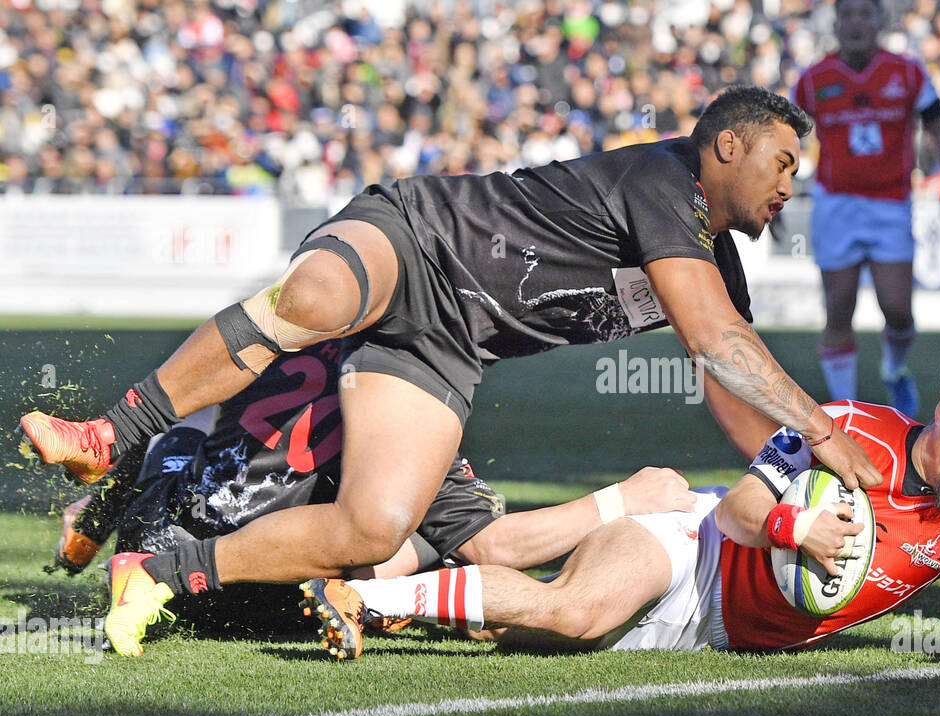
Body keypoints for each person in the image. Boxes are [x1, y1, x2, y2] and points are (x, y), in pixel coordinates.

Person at [19, 86, 885, 656]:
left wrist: (782, 469)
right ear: (726, 145)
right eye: (782, 163)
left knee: (373, 525)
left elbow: (730, 381)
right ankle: (110, 435)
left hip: (444, 344)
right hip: (418, 232)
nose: (790, 186)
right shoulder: (666, 178)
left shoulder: (716, 270)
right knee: (317, 294)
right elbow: (716, 343)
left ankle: (165, 572)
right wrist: (822, 431)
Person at [301, 362, 940, 661]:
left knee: (523, 629)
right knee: (577, 609)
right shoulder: (848, 426)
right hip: (693, 545)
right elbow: (738, 510)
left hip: (719, 634)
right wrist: (801, 531)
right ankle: (359, 596)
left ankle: (418, 572)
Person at [55, 340, 694, 653]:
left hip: (156, 528)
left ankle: (93, 521)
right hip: (231, 594)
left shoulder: (290, 332)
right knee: (409, 534)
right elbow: (496, 543)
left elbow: (182, 395)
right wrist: (621, 499)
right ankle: (372, 600)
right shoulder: (410, 402)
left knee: (181, 430)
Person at [793, 0, 940, 417]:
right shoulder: (814, 79)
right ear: (835, 23)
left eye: (863, 15)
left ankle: (894, 368)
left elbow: (935, 125)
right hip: (836, 204)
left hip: (891, 204)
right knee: (839, 307)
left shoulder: (906, 72)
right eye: (846, 15)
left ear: (878, 22)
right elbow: (786, 134)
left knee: (898, 311)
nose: (855, 23)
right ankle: (844, 410)